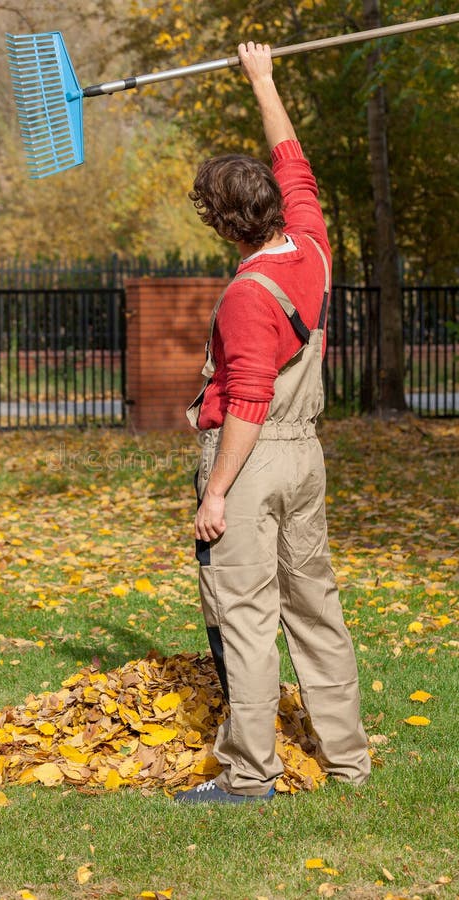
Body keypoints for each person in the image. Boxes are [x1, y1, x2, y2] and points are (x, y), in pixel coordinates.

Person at [175, 42, 371, 804]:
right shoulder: (312, 246)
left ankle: (251, 775)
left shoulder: (247, 296)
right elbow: (296, 164)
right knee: (315, 606)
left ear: (225, 225)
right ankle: (348, 759)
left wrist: (217, 492)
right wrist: (263, 79)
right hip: (306, 458)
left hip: (252, 463)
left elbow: (249, 404)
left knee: (248, 617)